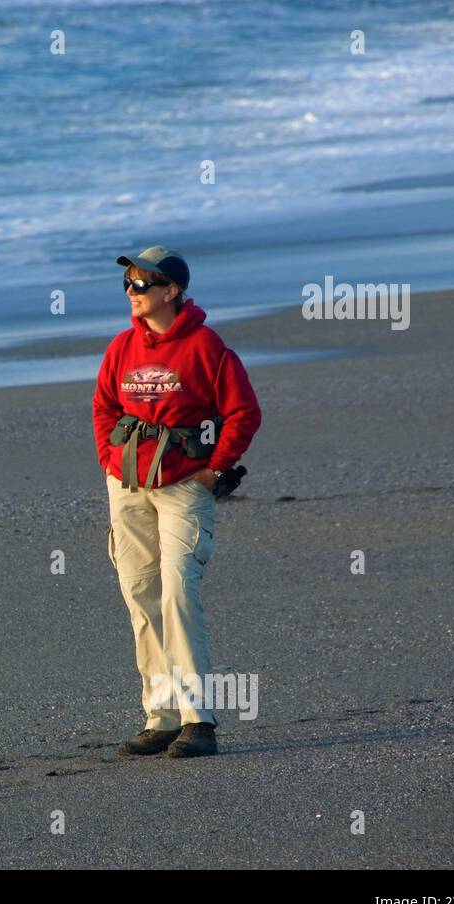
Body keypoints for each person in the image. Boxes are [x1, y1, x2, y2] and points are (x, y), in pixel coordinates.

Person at [93, 246, 261, 758]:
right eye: (127, 284)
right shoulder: (121, 347)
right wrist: (110, 461)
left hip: (185, 486)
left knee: (178, 592)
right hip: (127, 486)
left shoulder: (207, 347)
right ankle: (161, 717)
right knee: (140, 595)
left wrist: (213, 471)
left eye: (142, 285)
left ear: (172, 292)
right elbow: (103, 406)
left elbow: (244, 413)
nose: (131, 292)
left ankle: (199, 721)